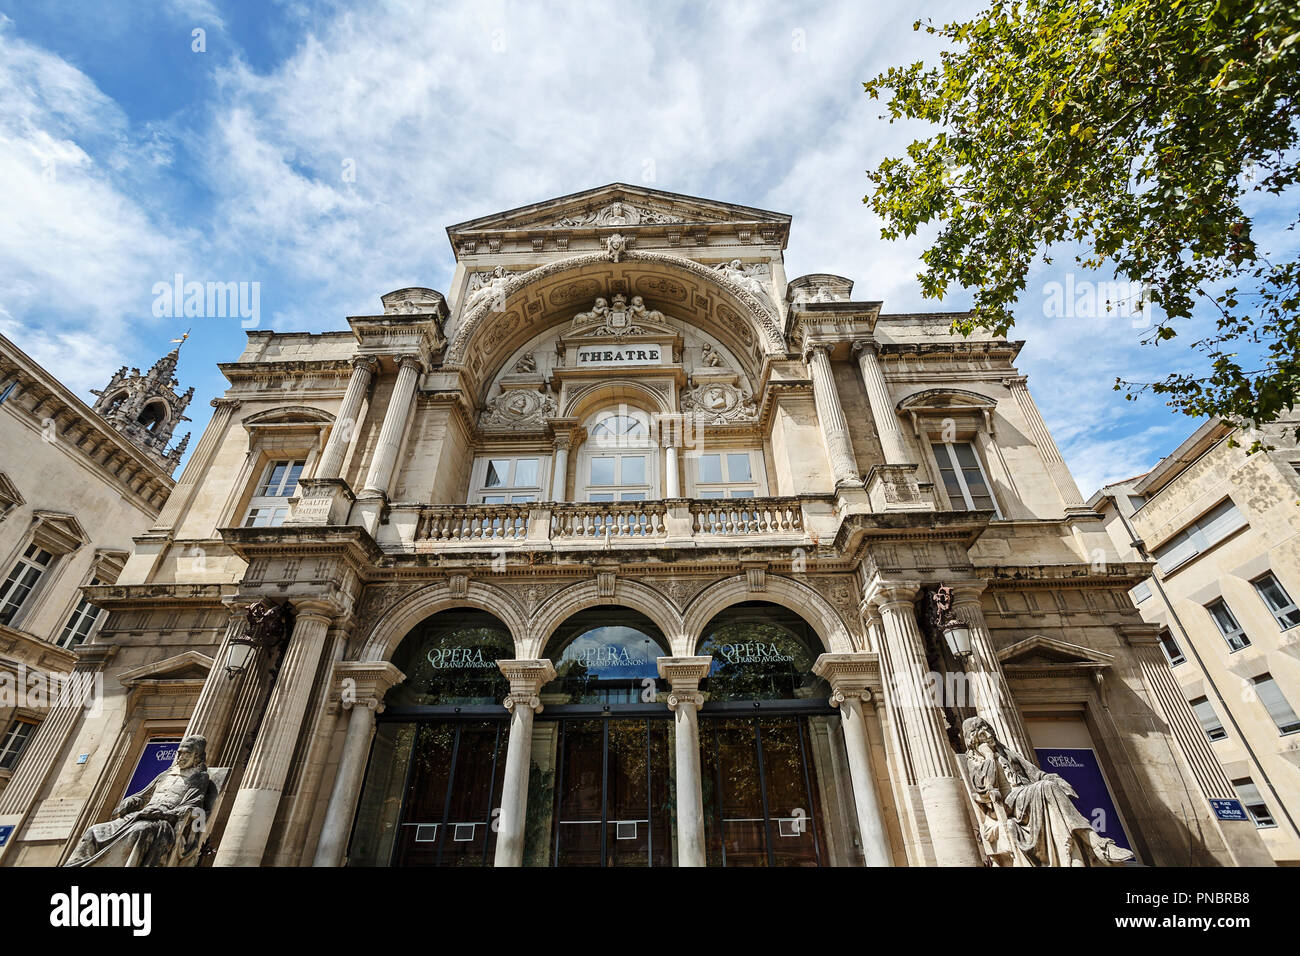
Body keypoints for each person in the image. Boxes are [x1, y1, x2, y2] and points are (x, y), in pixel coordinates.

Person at [962, 716, 1134, 866]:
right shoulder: (975, 761)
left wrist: (1054, 778)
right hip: (1009, 802)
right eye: (983, 733)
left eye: (989, 730)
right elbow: (985, 787)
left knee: (1048, 786)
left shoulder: (1005, 751)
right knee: (1046, 788)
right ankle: (1097, 844)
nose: (990, 735)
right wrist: (989, 757)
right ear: (974, 739)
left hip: (1028, 795)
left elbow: (1036, 773)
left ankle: (1083, 852)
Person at [65, 734, 212, 867]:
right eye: (179, 753)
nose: (180, 757)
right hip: (140, 816)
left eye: (186, 753)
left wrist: (166, 813)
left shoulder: (199, 777)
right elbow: (143, 796)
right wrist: (131, 801)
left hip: (163, 821)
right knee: (95, 830)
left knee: (140, 830)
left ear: (197, 756)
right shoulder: (166, 774)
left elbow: (193, 806)